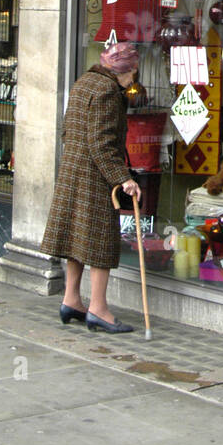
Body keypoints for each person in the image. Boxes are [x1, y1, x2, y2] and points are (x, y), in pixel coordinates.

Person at [41, 42, 142, 334]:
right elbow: (102, 142)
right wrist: (122, 178)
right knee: (99, 242)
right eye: (132, 72)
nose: (133, 80)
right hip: (93, 176)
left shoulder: (85, 81)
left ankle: (71, 299)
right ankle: (98, 308)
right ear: (124, 70)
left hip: (73, 169)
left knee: (77, 238)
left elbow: (67, 129)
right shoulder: (108, 91)